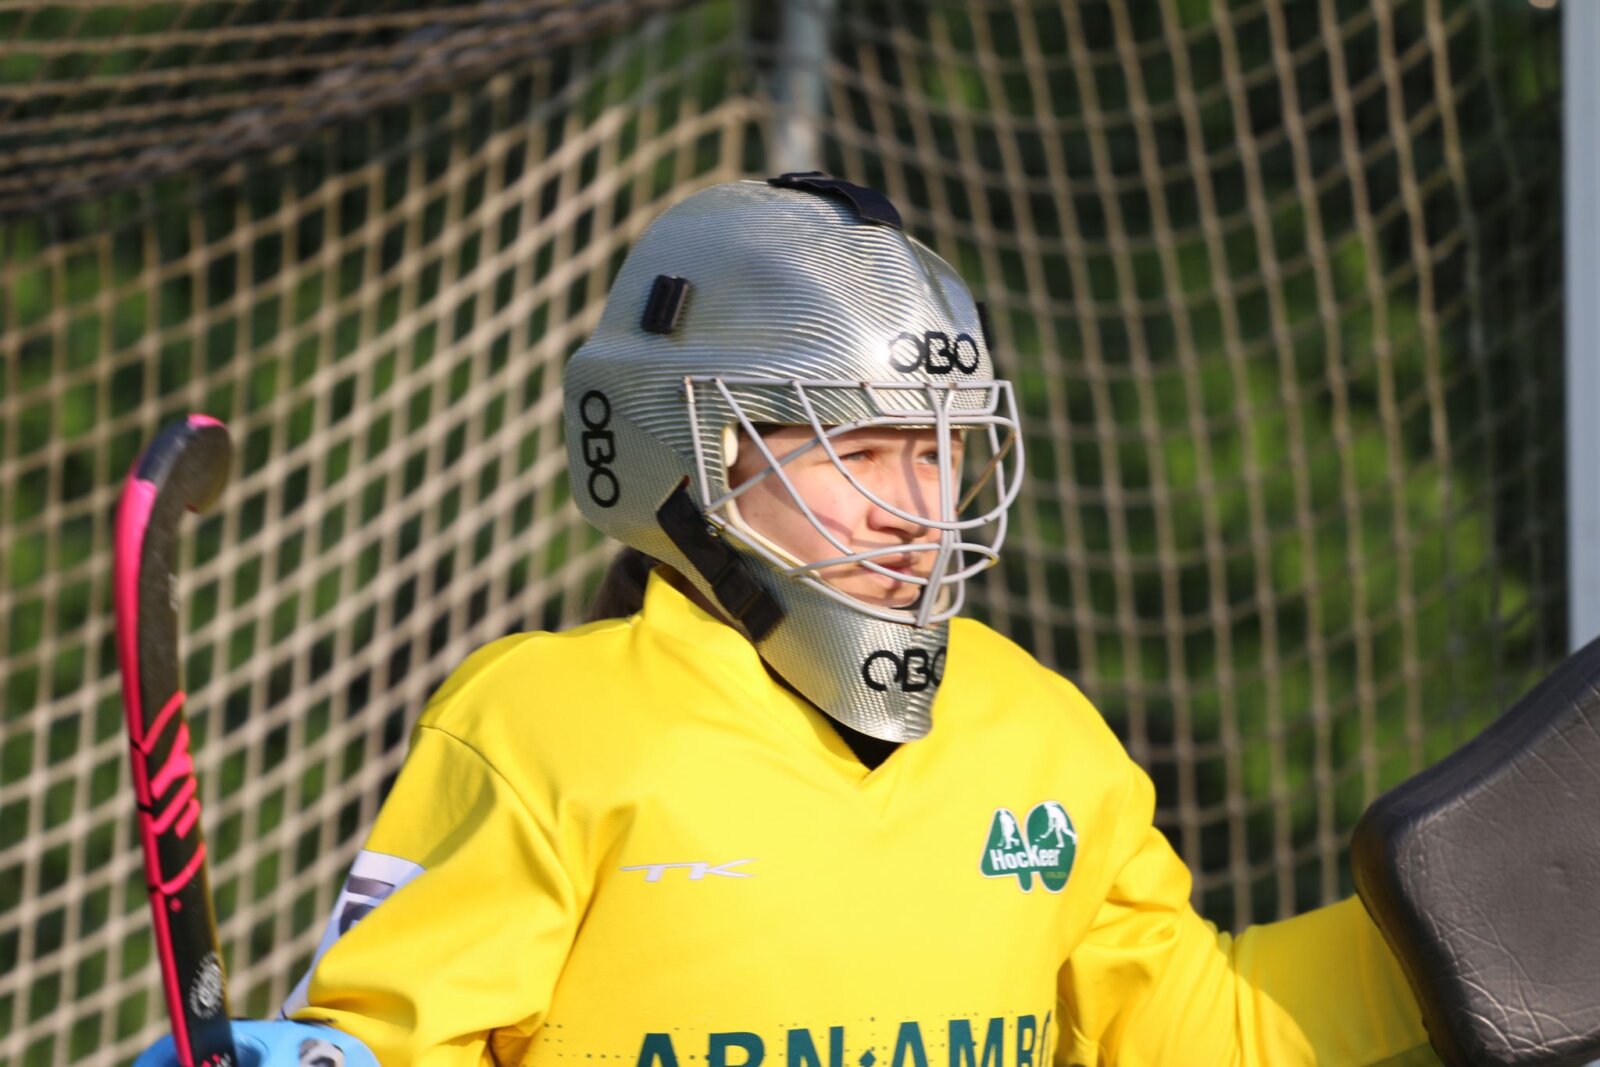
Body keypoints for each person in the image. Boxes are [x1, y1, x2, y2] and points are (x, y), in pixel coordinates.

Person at [140, 175, 1437, 1066]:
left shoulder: (1035, 731)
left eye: (941, 451)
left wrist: (1468, 927)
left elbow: (1201, 1032)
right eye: (858, 450)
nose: (916, 509)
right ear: (682, 453)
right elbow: (397, 1038)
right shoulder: (543, 724)